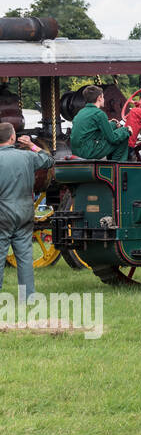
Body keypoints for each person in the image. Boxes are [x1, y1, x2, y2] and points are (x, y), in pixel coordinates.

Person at [0, 123, 54, 302]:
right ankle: (28, 297)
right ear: (13, 138)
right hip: (25, 210)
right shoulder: (28, 156)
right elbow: (48, 160)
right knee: (24, 256)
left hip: (2, 212)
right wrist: (32, 145)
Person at [69, 85, 130, 161]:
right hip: (88, 152)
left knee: (117, 132)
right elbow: (113, 139)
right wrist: (126, 130)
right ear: (99, 98)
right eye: (103, 97)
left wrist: (112, 124)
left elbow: (92, 131)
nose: (104, 99)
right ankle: (117, 167)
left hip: (77, 151)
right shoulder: (99, 113)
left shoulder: (81, 112)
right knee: (123, 137)